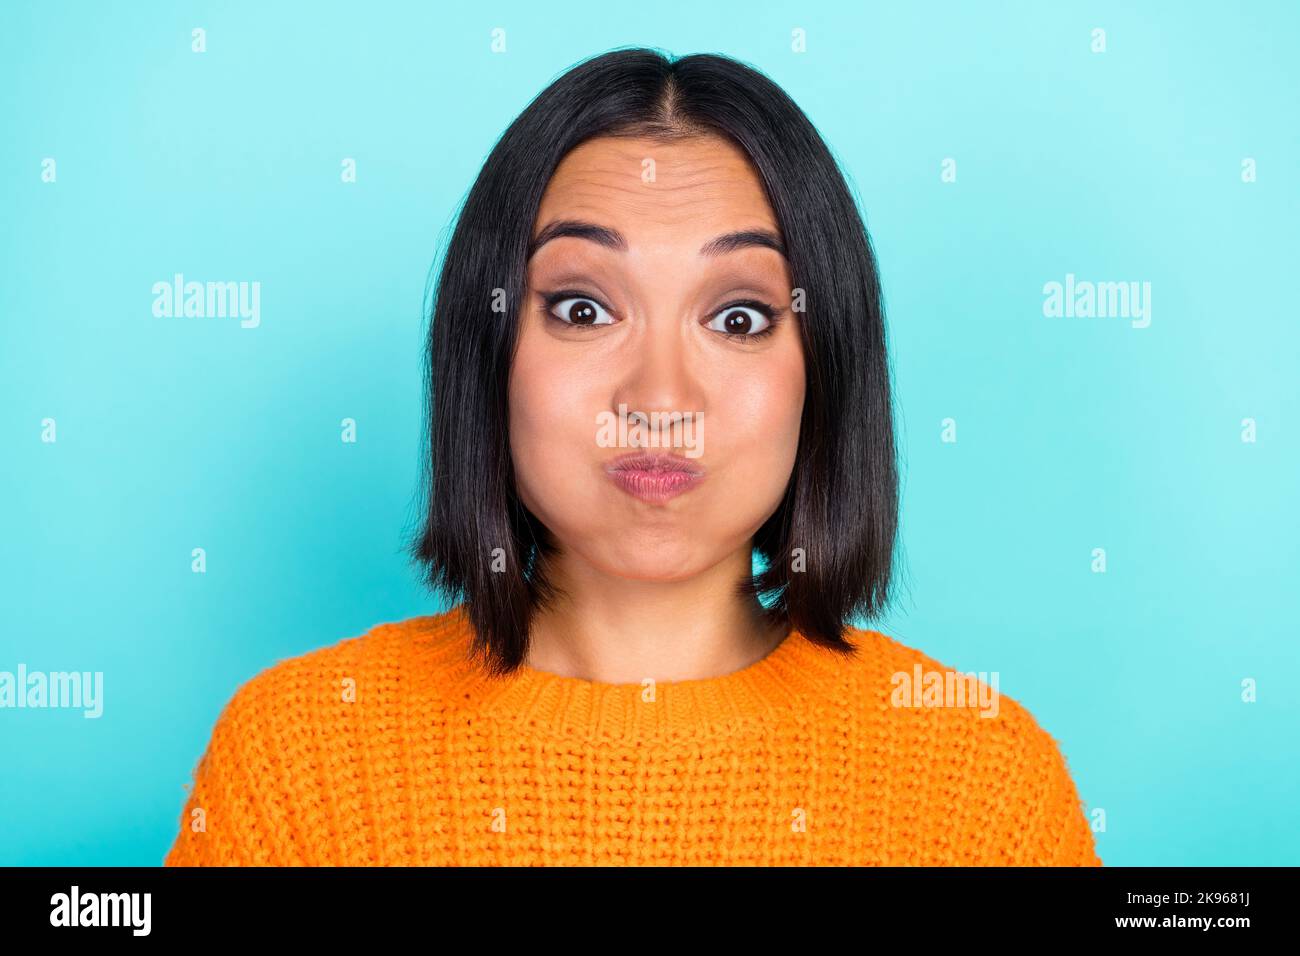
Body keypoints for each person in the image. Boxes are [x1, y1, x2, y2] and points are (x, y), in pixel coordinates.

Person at [164, 47, 1100, 867]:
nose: (659, 400)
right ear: (486, 349)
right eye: (583, 308)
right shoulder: (298, 763)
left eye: (739, 317)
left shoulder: (983, 791)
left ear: (825, 368)